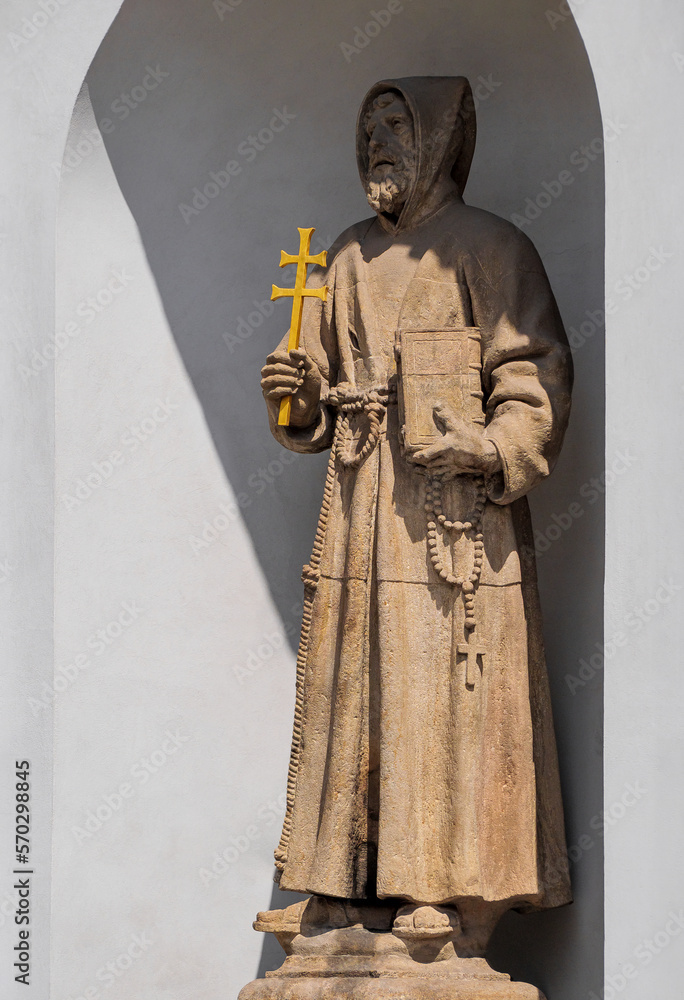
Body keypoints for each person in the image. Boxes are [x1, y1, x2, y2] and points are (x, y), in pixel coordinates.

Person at [259, 77, 572, 947]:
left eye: (397, 127)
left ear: (441, 138)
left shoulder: (494, 248)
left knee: (442, 692)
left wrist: (491, 445)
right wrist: (301, 397)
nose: (377, 146)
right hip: (362, 510)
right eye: (367, 129)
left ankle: (442, 884)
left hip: (454, 524)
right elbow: (316, 395)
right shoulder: (346, 257)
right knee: (353, 685)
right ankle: (343, 886)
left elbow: (536, 376)